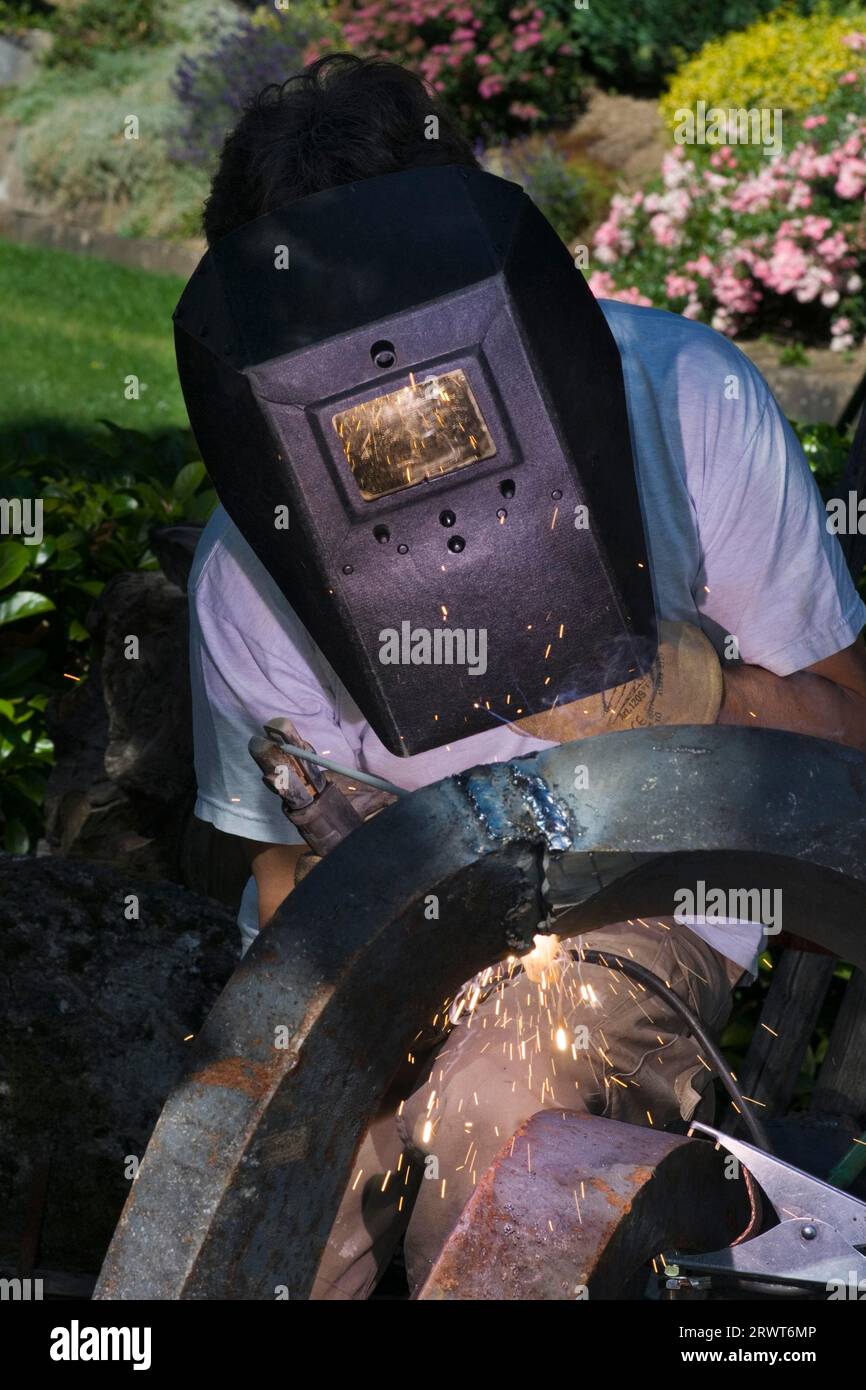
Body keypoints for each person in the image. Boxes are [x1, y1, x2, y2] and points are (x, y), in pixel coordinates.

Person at [187, 53, 866, 1297]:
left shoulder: (688, 401)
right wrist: (357, 1013)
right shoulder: (251, 563)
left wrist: (683, 692)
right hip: (375, 931)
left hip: (641, 903)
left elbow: (849, 739)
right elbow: (285, 879)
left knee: (508, 1102)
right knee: (269, 1182)